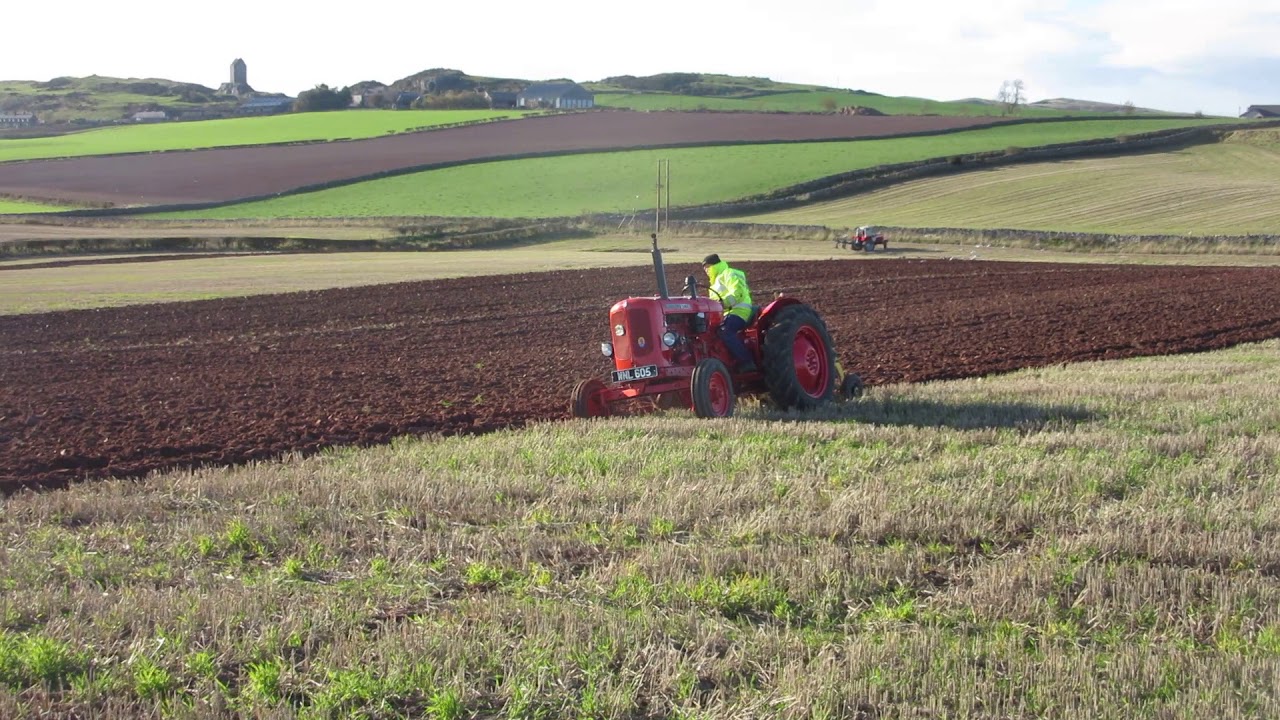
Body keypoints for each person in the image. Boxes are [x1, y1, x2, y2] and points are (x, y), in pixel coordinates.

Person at [702, 253, 758, 373]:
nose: (705, 271)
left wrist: (722, 304)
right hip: (725, 314)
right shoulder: (714, 283)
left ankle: (747, 361)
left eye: (706, 267)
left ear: (713, 266)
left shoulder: (730, 273)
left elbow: (738, 292)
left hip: (739, 311)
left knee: (726, 331)